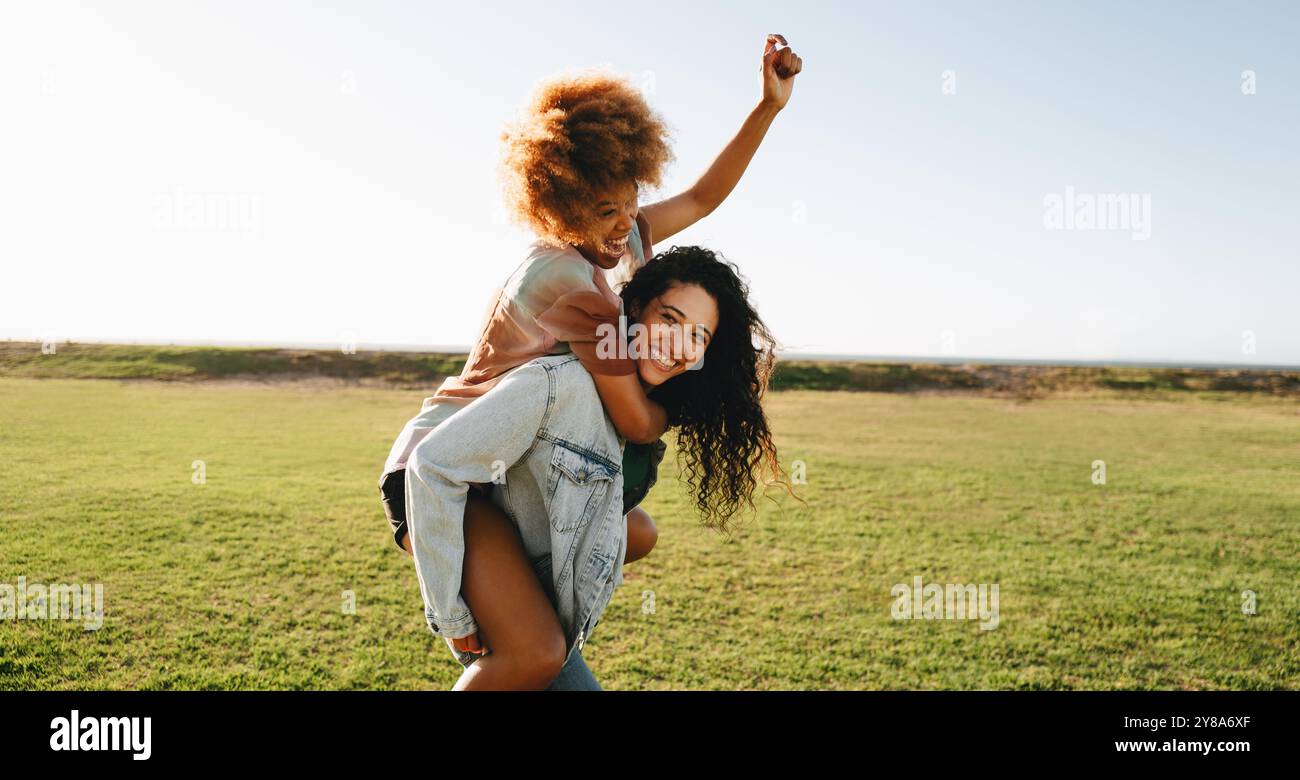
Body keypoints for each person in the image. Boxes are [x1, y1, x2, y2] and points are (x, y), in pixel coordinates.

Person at [409, 245, 793, 690]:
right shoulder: (561, 384)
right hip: (472, 540)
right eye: (669, 320)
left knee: (641, 533)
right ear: (632, 309)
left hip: (536, 591)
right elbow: (433, 464)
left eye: (697, 336)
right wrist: (449, 612)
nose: (678, 346)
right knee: (537, 653)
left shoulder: (644, 409)